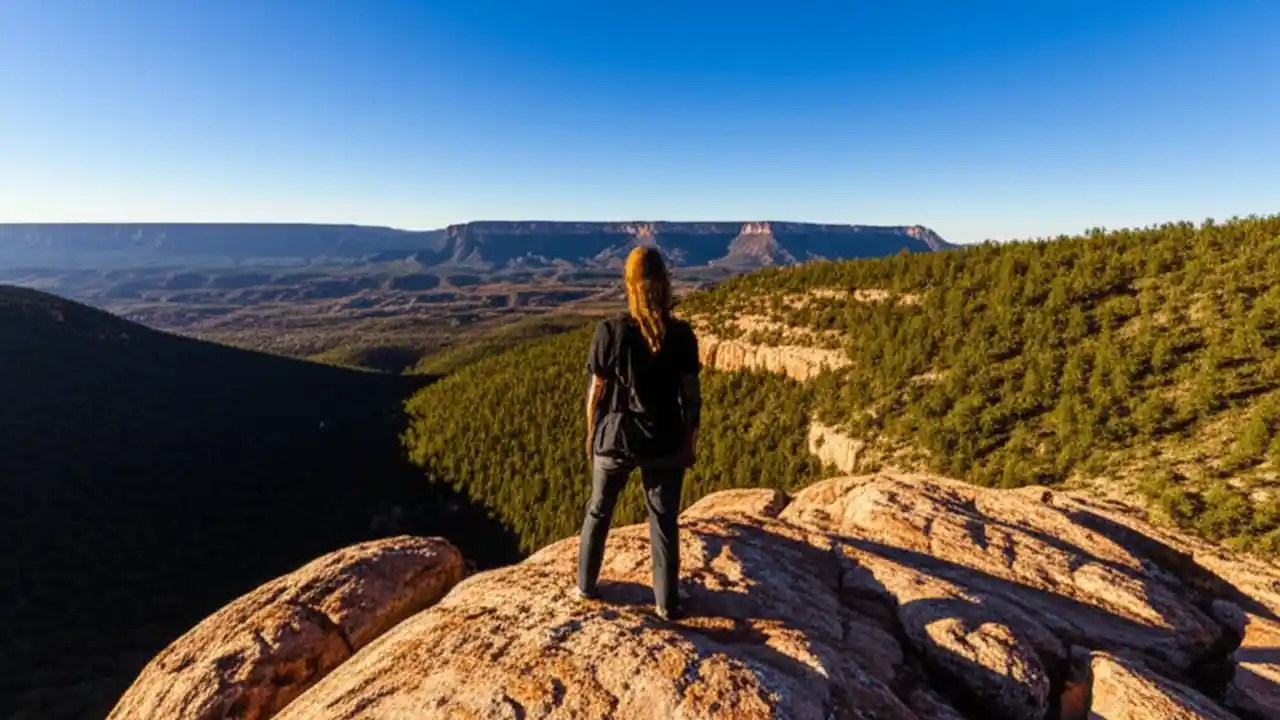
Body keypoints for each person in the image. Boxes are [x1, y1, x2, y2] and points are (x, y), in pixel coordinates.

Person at [578, 246, 701, 620]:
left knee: (599, 510)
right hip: (665, 440)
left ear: (629, 284)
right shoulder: (681, 335)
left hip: (617, 437)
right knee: (663, 520)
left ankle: (586, 586)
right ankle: (667, 602)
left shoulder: (610, 332)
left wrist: (591, 433)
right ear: (664, 283)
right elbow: (691, 399)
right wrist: (689, 441)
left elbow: (596, 392)